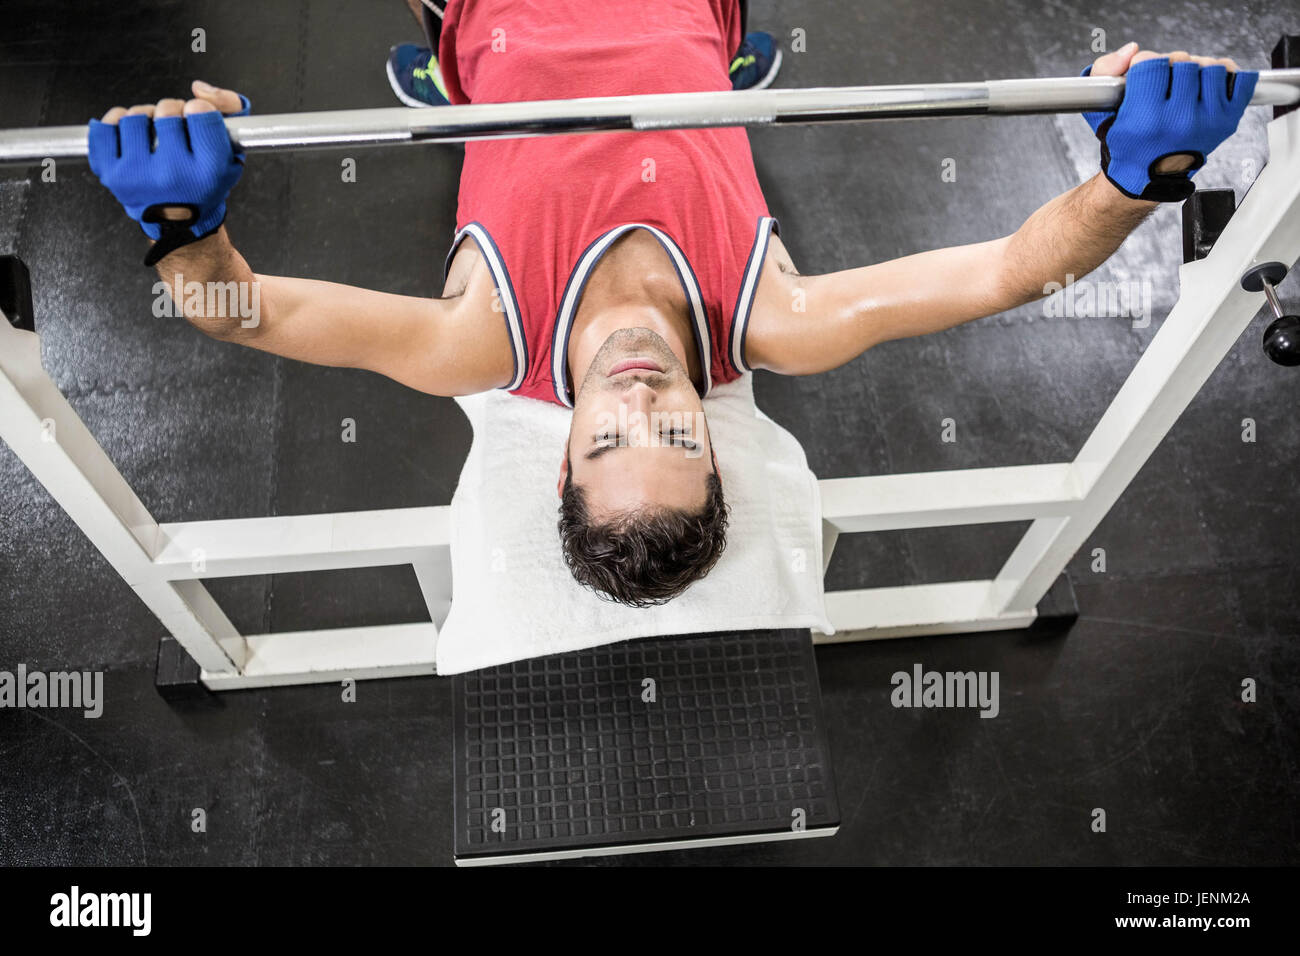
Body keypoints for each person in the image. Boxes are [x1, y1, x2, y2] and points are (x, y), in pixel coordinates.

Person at [85, 0, 1257, 607]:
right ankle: (726, 71)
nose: (642, 399)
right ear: (717, 442)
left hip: (502, 14)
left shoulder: (478, 338)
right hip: (689, 13)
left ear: (558, 458)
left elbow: (246, 315)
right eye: (679, 436)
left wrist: (185, 228)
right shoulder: (774, 320)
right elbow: (1009, 273)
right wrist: (1136, 177)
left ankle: (448, 76)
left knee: (460, 39)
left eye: (606, 439)